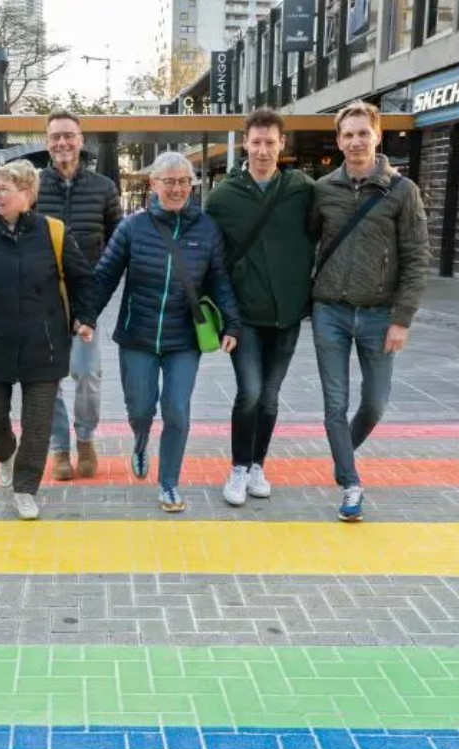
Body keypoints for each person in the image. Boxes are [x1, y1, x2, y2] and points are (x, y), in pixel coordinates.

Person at [74, 152, 240, 512]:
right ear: (154, 185)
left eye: (184, 182)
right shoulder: (132, 228)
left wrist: (232, 322)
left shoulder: (207, 229)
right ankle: (140, 438)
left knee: (177, 410)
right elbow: (105, 276)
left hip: (184, 339)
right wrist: (87, 317)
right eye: (170, 181)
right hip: (138, 336)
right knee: (141, 408)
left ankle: (169, 484)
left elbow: (220, 280)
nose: (178, 188)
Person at [310, 101, 430, 522]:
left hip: (380, 315)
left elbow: (417, 257)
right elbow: (306, 243)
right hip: (331, 312)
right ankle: (350, 481)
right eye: (348, 134)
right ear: (339, 140)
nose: (356, 141)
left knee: (375, 403)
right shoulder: (323, 189)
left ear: (377, 136)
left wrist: (402, 318)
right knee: (334, 404)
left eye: (363, 133)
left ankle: (343, 453)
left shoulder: (402, 191)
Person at [0, 159, 92, 521]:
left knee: (38, 421)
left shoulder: (54, 232)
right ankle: (5, 450)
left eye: (5, 189)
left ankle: (25, 488)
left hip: (43, 342)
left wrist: (85, 318)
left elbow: (83, 278)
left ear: (27, 194)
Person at [205, 108, 318, 507]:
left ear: (282, 144)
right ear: (245, 144)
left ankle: (257, 465)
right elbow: (210, 257)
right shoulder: (223, 197)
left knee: (270, 396)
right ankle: (238, 466)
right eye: (256, 142)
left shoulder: (302, 189)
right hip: (244, 315)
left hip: (287, 313)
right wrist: (219, 313)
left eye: (270, 142)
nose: (263, 150)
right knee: (249, 392)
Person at [37, 110, 122, 481]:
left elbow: (118, 245)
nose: (62, 143)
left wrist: (95, 298)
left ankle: (85, 439)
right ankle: (59, 448)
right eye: (55, 136)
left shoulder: (104, 187)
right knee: (49, 379)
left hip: (88, 299)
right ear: (46, 143)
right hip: (42, 302)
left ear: (81, 140)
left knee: (87, 373)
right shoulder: (34, 186)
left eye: (69, 135)